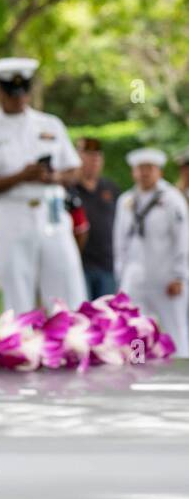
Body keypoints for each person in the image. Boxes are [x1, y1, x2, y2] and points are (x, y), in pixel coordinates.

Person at [0, 57, 88, 311]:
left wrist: (52, 178)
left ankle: (71, 344)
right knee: (19, 294)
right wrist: (21, 176)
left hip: (51, 211)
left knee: (67, 289)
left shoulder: (50, 124)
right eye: (11, 93)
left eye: (24, 92)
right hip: (12, 215)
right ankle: (22, 348)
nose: (19, 98)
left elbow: (74, 170)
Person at [114, 148, 189, 355]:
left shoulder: (172, 199)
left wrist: (179, 275)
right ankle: (138, 367)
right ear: (133, 173)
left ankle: (181, 372)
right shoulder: (126, 201)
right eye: (140, 168)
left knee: (174, 327)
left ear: (159, 172)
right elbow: (119, 242)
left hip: (166, 277)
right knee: (135, 327)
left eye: (149, 168)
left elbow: (183, 239)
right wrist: (121, 276)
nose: (144, 173)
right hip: (135, 278)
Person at [69, 137, 121, 299]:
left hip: (107, 264)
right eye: (89, 156)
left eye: (98, 156)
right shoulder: (69, 189)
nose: (94, 160)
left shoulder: (110, 188)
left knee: (106, 317)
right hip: (79, 265)